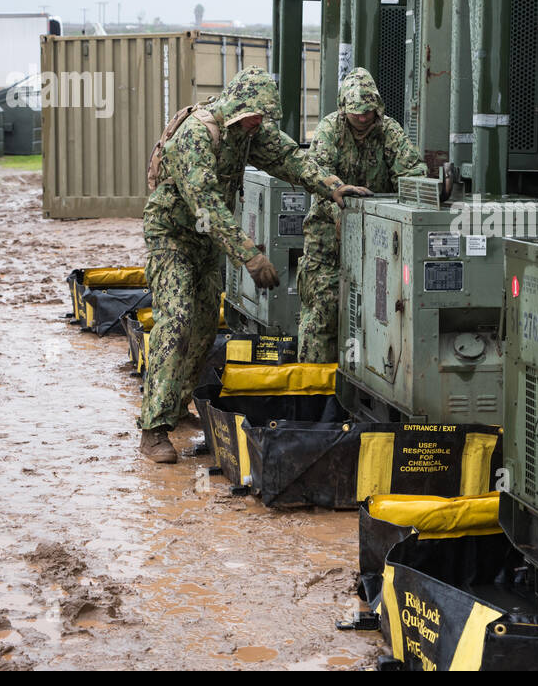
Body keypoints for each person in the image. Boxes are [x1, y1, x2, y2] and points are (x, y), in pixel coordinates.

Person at [138, 66, 370, 463]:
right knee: (176, 319)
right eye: (255, 117)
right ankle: (153, 427)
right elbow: (206, 207)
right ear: (238, 109)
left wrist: (331, 186)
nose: (259, 125)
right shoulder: (195, 137)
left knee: (206, 322)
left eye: (263, 118)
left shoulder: (249, 131)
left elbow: (289, 159)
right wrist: (250, 255)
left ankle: (176, 408)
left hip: (208, 242)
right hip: (173, 236)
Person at [297, 67, 427, 363]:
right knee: (324, 307)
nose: (362, 117)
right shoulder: (330, 130)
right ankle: (314, 386)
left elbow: (412, 171)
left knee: (374, 311)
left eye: (368, 111)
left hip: (375, 239)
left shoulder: (389, 131)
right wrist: (339, 204)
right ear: (344, 109)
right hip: (327, 235)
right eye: (356, 112)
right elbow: (316, 175)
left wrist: (419, 194)